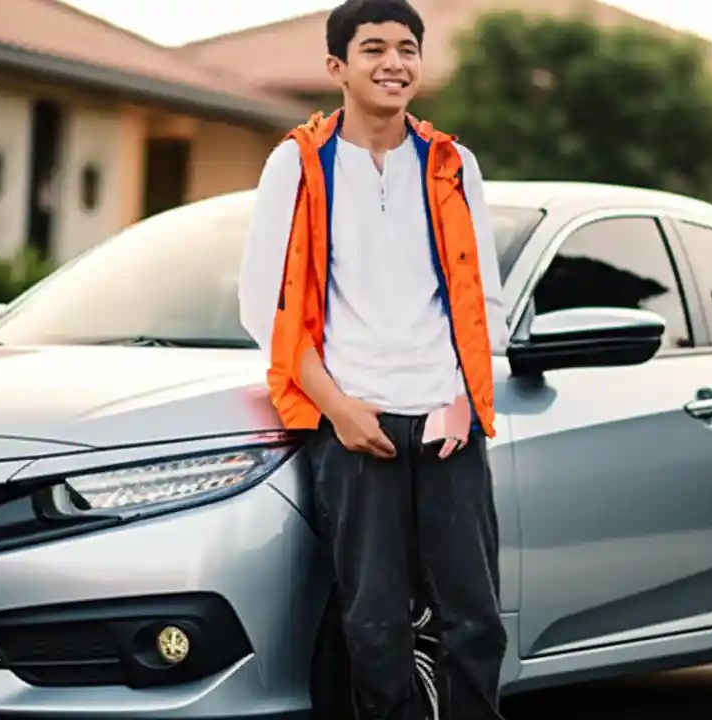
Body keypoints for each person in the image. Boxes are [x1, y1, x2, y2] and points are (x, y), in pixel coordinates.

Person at [237, 1, 509, 718]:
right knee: (374, 621)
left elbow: (486, 295)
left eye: (408, 48)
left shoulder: (453, 163)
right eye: (374, 49)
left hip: (448, 415)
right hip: (354, 418)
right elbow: (266, 306)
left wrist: (464, 398)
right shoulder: (297, 164)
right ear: (337, 67)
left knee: (474, 618)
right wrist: (339, 409)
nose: (395, 62)